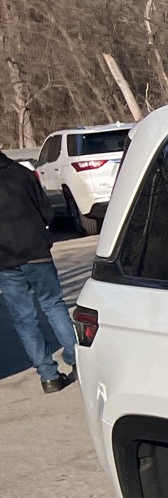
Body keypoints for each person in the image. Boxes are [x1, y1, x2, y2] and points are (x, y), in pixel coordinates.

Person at [0, 150, 78, 394]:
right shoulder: (21, 173)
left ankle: (48, 376)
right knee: (53, 305)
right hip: (36, 251)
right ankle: (78, 360)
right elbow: (47, 211)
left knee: (24, 319)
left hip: (5, 260)